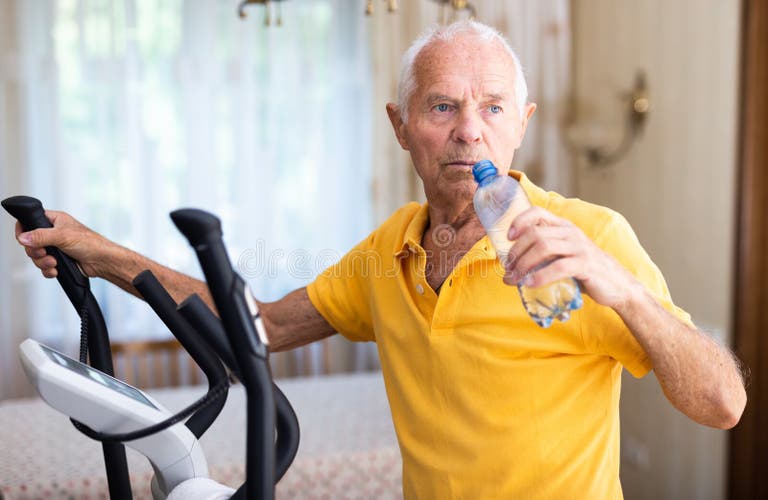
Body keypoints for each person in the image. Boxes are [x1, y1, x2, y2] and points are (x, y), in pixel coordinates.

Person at [13, 20, 745, 499]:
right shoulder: (390, 244)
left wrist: (618, 286)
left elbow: (722, 404)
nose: (469, 133)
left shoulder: (591, 235)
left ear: (520, 126)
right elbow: (258, 327)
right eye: (441, 108)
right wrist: (102, 255)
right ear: (401, 127)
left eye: (493, 108)